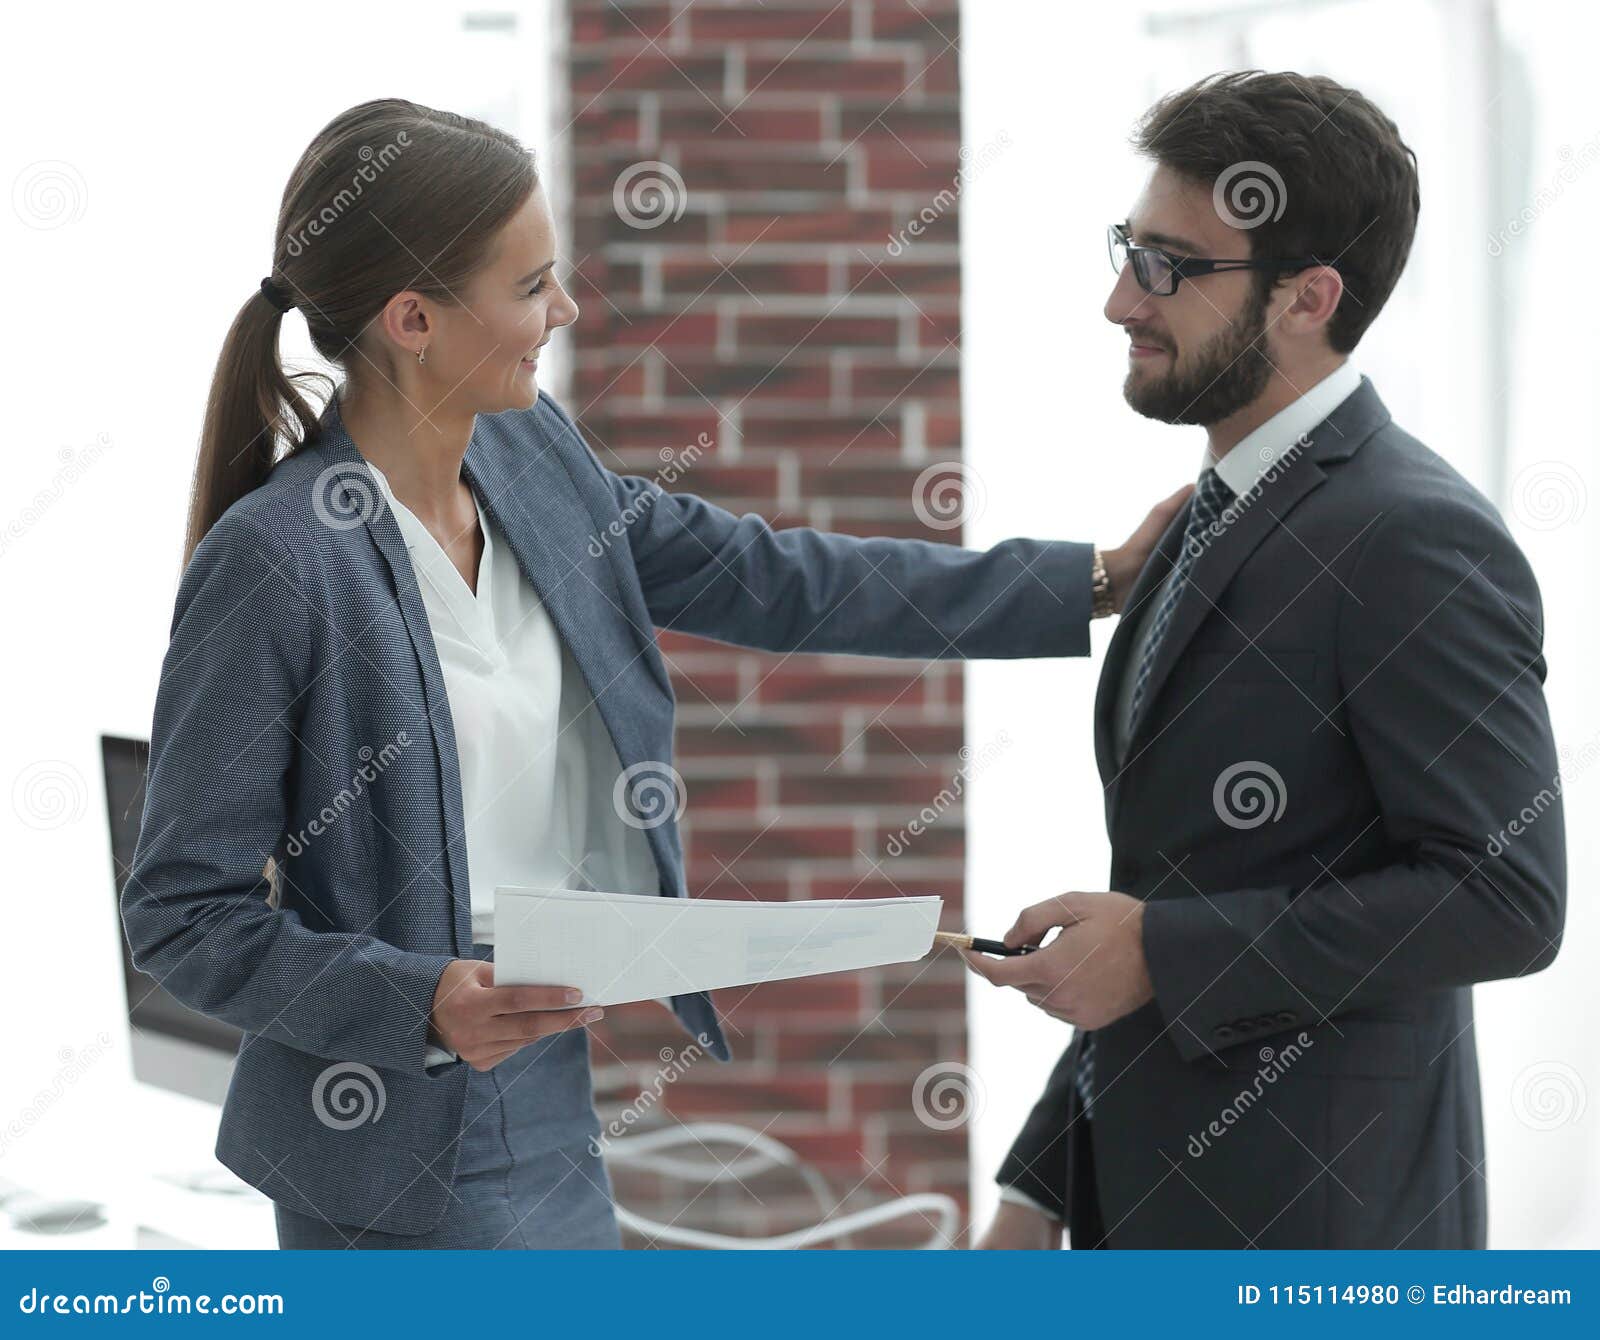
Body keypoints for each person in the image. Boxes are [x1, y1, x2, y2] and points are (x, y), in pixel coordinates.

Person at [121, 97, 1185, 1249]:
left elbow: (779, 578)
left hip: (547, 1082)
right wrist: (417, 999)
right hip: (389, 1132)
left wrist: (1089, 580)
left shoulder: (532, 461)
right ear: (413, 317)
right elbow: (183, 916)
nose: (565, 311)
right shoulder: (278, 561)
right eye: (530, 287)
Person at [967, 70, 1565, 1249]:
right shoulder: (1206, 512)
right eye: (1127, 250)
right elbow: (1168, 892)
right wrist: (1041, 1187)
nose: (1117, 301)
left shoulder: (1412, 537)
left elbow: (1506, 896)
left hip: (1326, 1233)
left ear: (1308, 298)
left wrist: (1160, 950)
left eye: (1168, 266)